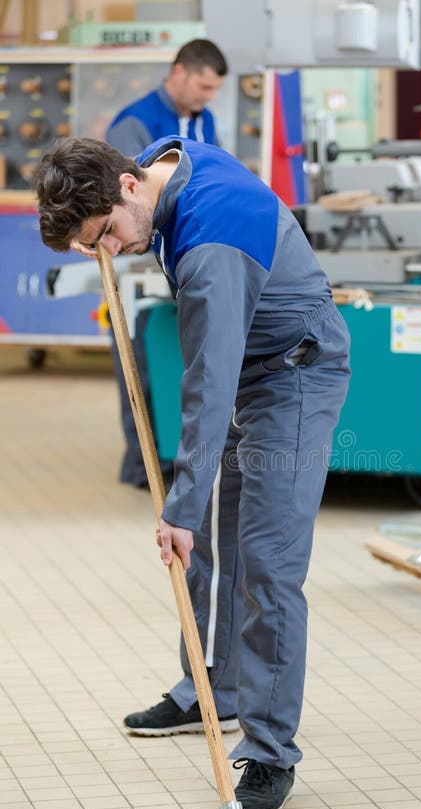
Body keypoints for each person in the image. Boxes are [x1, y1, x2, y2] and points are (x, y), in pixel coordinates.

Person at [35, 135, 351, 809]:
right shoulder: (166, 158)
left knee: (266, 562)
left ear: (127, 186)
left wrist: (177, 507)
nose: (111, 251)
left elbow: (206, 385)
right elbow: (215, 373)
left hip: (295, 377)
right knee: (220, 546)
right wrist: (188, 510)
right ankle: (212, 690)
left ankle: (269, 754)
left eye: (107, 235)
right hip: (252, 371)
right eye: (96, 247)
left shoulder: (211, 243)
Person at [106, 39, 228, 489]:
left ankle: (183, 463)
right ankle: (143, 468)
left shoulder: (205, 120)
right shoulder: (135, 123)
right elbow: (123, 204)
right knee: (138, 364)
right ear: (179, 72)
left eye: (214, 89)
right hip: (137, 264)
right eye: (203, 85)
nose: (207, 96)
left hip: (185, 261)